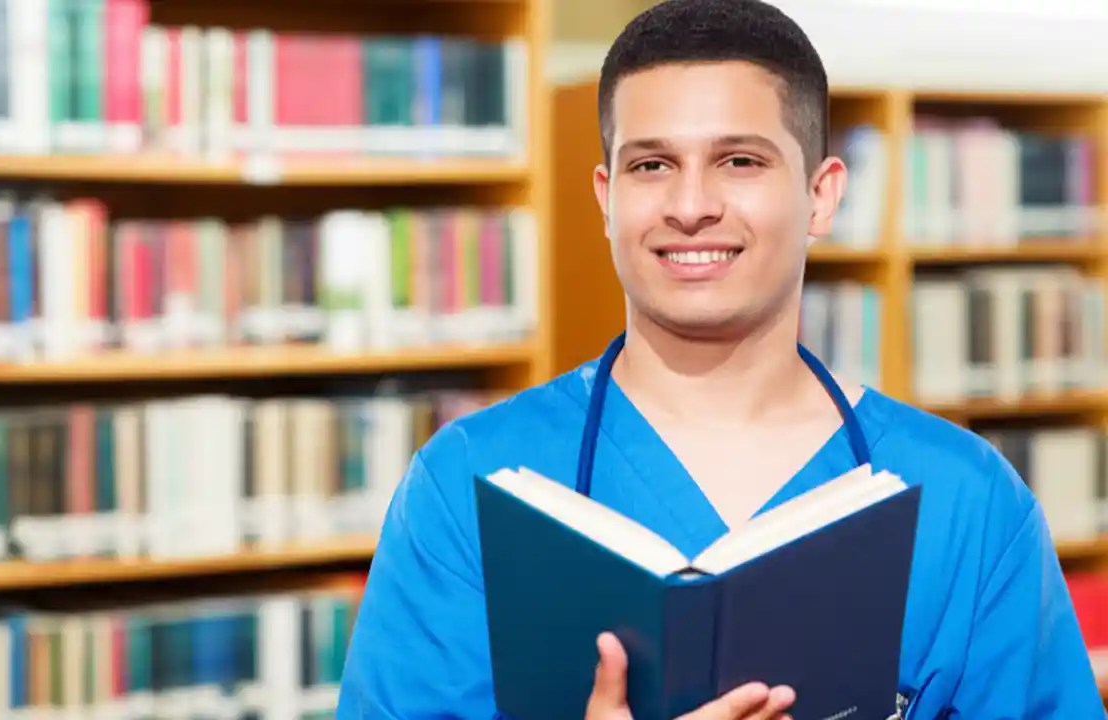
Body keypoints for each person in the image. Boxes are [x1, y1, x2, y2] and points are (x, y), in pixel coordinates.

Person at [335, 0, 1104, 717]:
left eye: (739, 161)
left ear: (821, 196)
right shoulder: (466, 485)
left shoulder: (968, 503)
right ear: (605, 198)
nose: (691, 203)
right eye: (651, 165)